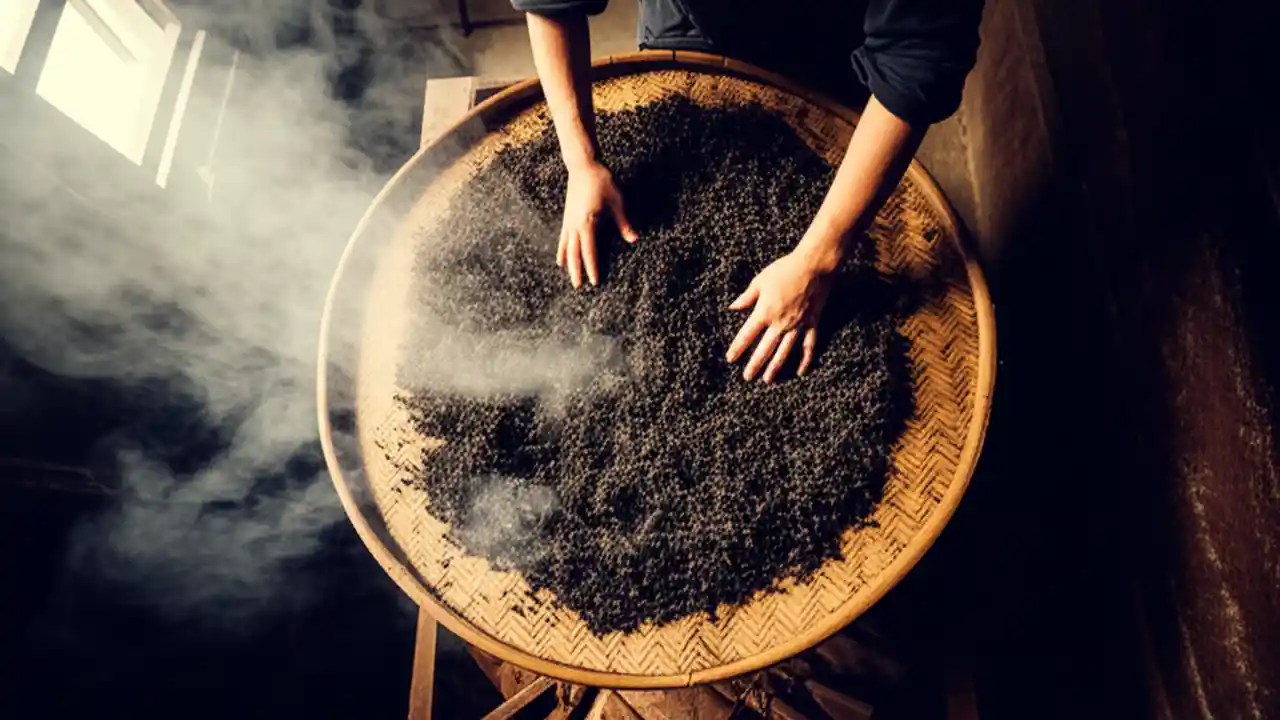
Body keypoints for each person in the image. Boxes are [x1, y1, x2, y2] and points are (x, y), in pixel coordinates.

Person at [511, 0, 983, 383]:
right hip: (694, 16)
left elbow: (919, 55)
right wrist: (582, 160)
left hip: (830, 32)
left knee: (826, 155)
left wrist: (818, 258)